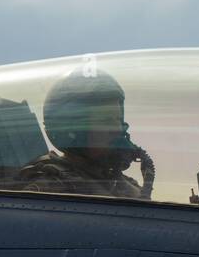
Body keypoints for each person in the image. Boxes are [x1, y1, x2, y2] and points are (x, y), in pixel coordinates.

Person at [15, 68, 153, 199]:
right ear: (74, 131)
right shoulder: (50, 190)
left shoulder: (122, 185)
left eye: (118, 120)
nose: (118, 129)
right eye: (106, 121)